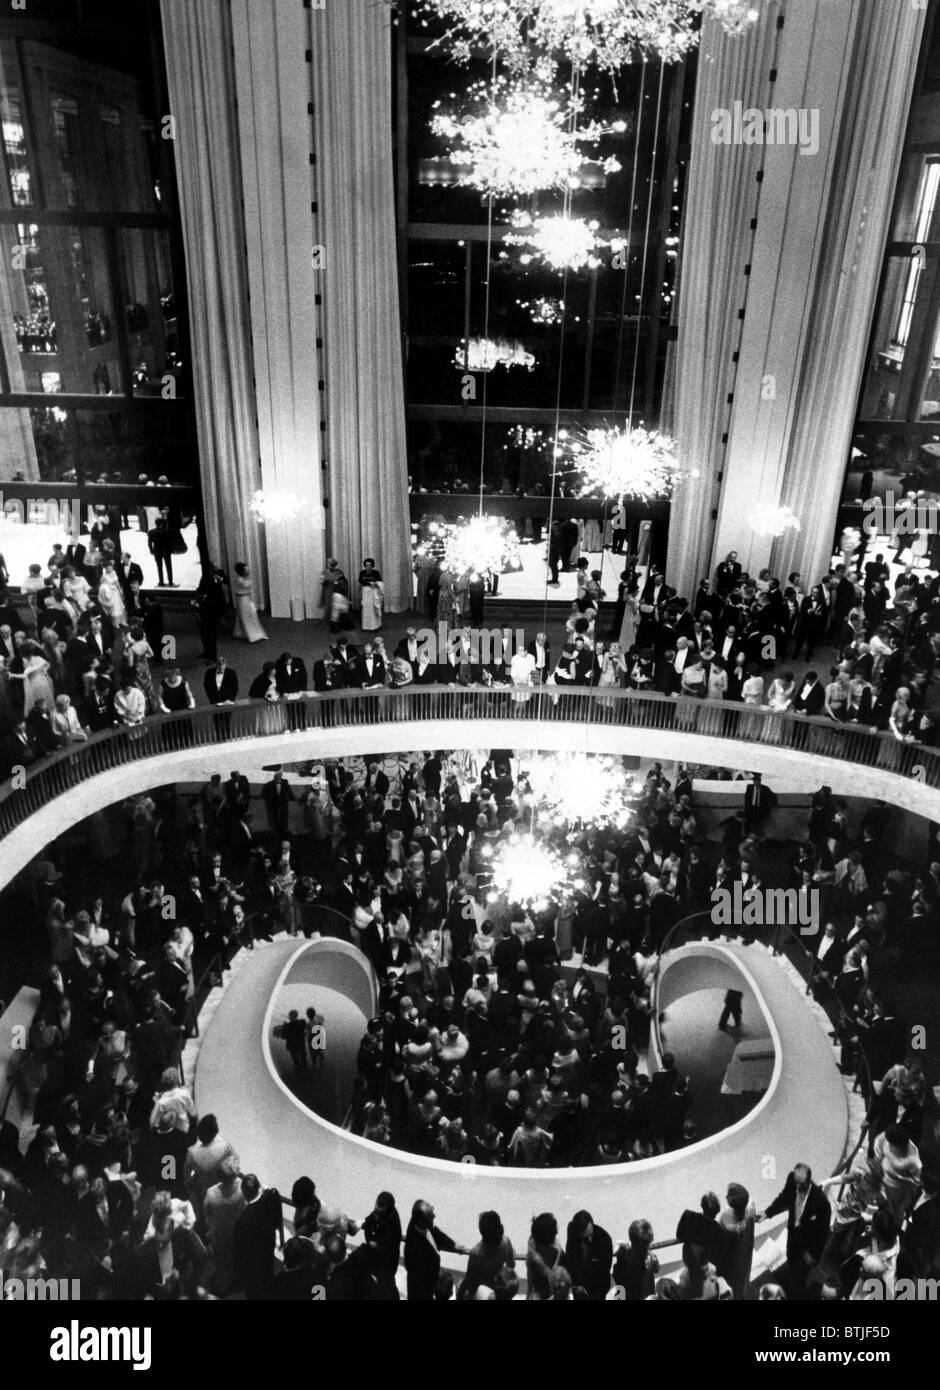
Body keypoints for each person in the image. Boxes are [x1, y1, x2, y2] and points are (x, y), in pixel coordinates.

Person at [758, 1163, 830, 1297]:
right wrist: (768, 1213)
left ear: (809, 1181)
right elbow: (784, 1197)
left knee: (800, 1276)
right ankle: (791, 1280)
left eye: (801, 1184)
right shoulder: (792, 1179)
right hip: (793, 1236)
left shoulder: (821, 1202)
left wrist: (813, 1255)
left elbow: (823, 1233)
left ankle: (796, 1293)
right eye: (796, 1182)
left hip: (807, 1247)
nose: (797, 1187)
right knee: (791, 1260)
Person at [403, 1199, 466, 1301]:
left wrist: (452, 1244)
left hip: (426, 1285)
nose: (434, 1216)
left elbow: (434, 1231)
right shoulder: (415, 1247)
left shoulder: (418, 1223)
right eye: (431, 1216)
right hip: (421, 1291)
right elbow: (419, 1279)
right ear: (422, 1222)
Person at [233, 562, 268, 644]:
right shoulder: (240, 579)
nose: (248, 569)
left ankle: (240, 633)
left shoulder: (242, 578)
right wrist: (248, 577)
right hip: (243, 599)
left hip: (245, 598)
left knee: (243, 616)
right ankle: (253, 635)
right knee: (248, 616)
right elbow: (247, 585)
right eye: (246, 569)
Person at [359, 559, 384, 632]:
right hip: (366, 592)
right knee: (366, 608)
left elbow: (380, 581)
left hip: (374, 592)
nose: (368, 567)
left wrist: (376, 583)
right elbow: (360, 580)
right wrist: (369, 583)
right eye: (366, 565)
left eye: (369, 565)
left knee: (374, 608)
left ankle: (375, 625)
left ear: (372, 565)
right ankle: (366, 626)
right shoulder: (362, 572)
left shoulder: (376, 572)